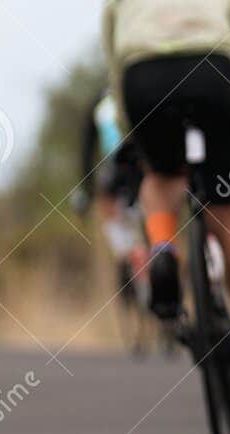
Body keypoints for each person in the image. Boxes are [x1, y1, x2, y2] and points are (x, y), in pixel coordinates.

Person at [102, 0, 230, 403]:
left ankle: (163, 248)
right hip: (212, 73)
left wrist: (129, 130)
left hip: (143, 78)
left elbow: (115, 62)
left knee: (161, 178)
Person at [79, 91, 150, 314]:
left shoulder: (98, 102)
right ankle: (140, 256)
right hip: (140, 169)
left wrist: (86, 190)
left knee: (110, 208)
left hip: (116, 174)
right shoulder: (134, 90)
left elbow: (87, 151)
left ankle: (126, 254)